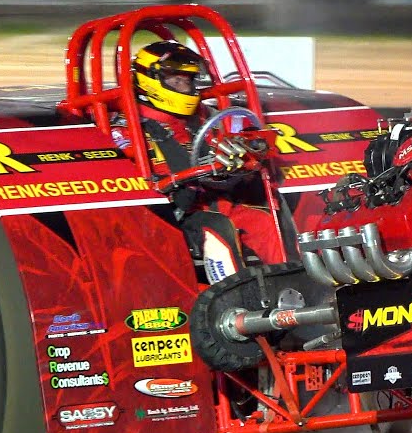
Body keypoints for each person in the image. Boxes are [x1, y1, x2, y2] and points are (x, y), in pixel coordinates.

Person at [116, 40, 288, 282]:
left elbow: (241, 150)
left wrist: (246, 156)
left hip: (221, 201)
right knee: (217, 228)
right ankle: (235, 304)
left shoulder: (207, 117)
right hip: (175, 216)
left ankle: (296, 292)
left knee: (268, 221)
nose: (185, 86)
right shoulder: (127, 129)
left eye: (188, 80)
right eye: (176, 80)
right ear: (149, 80)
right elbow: (131, 184)